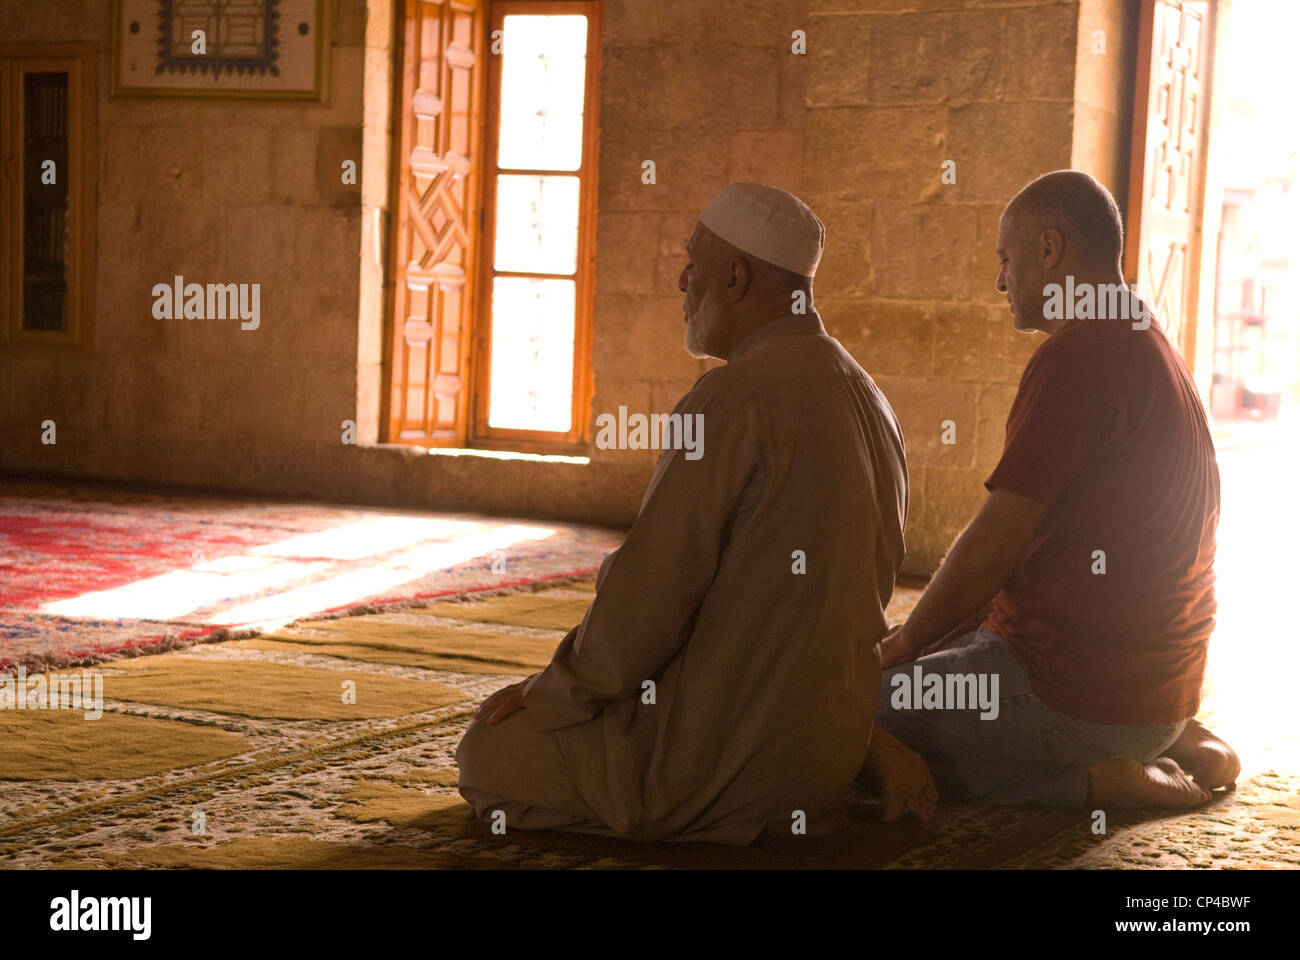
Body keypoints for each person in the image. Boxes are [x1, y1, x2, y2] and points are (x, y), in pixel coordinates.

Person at [456, 182, 930, 844]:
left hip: (729, 757)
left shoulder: (730, 400)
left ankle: (719, 814)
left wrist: (553, 692)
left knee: (489, 751)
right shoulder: (866, 393)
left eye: (693, 259)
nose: (682, 278)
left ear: (734, 276)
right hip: (829, 752)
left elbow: (645, 604)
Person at [877, 170, 1240, 809]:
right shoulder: (1142, 332)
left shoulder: (1082, 353)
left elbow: (996, 547)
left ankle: (1095, 779)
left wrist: (902, 647)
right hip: (1159, 686)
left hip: (1078, 691)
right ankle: (1170, 740)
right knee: (912, 662)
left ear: (1049, 250)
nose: (999, 281)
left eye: (1006, 260)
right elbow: (1013, 562)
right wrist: (921, 642)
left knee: (834, 717)